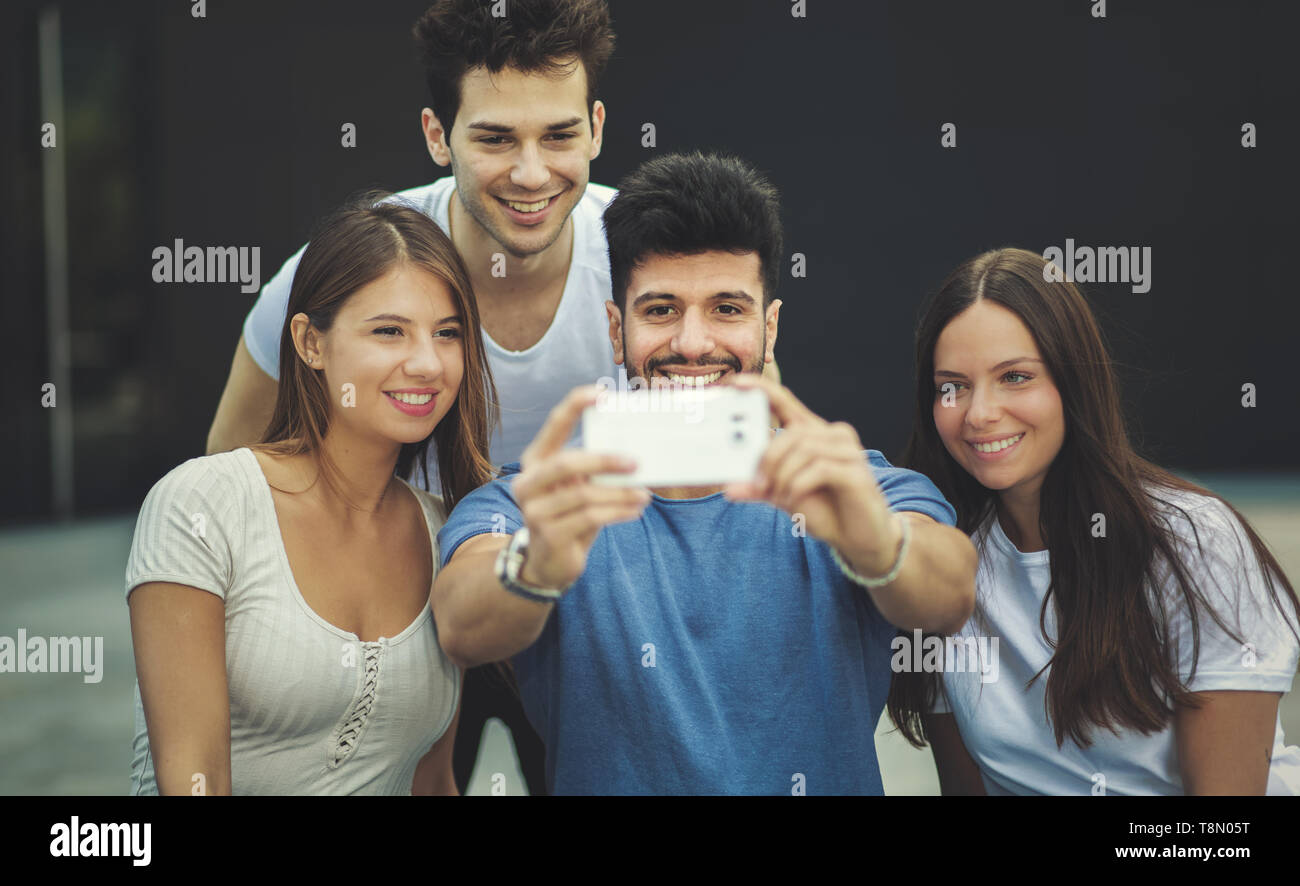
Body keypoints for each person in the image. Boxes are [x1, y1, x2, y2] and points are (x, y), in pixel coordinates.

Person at [430, 152, 978, 794]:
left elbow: (949, 595)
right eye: (661, 309)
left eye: (727, 308)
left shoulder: (851, 488)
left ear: (769, 329)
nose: (693, 343)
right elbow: (463, 625)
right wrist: (537, 565)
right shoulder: (544, 502)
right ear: (616, 330)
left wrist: (874, 543)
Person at [886, 247, 1300, 795]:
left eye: (1014, 376)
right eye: (953, 386)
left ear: (1073, 382)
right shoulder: (940, 565)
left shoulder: (1196, 543)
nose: (979, 413)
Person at [126, 194, 496, 794]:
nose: (428, 362)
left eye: (447, 333)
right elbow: (194, 778)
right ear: (310, 343)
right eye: (388, 331)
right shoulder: (201, 505)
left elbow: (433, 784)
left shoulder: (443, 532)